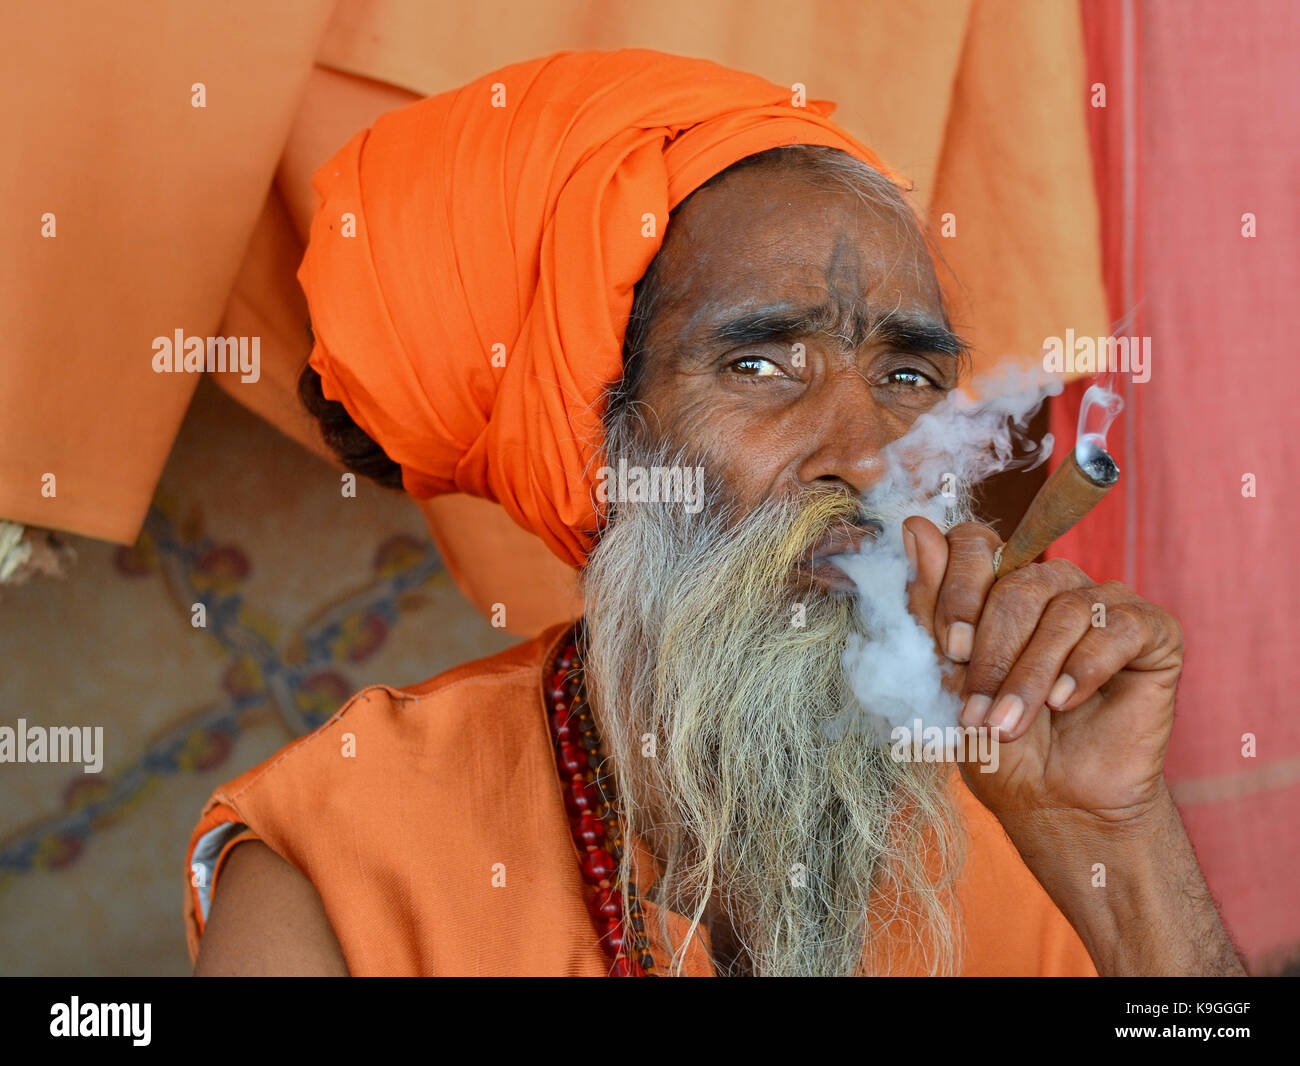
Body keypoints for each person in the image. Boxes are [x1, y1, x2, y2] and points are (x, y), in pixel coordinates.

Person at [185, 49, 1243, 977]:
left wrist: (1118, 842)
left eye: (910, 374)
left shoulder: (1019, 793)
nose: (871, 457)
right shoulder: (339, 862)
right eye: (759, 362)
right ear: (599, 437)